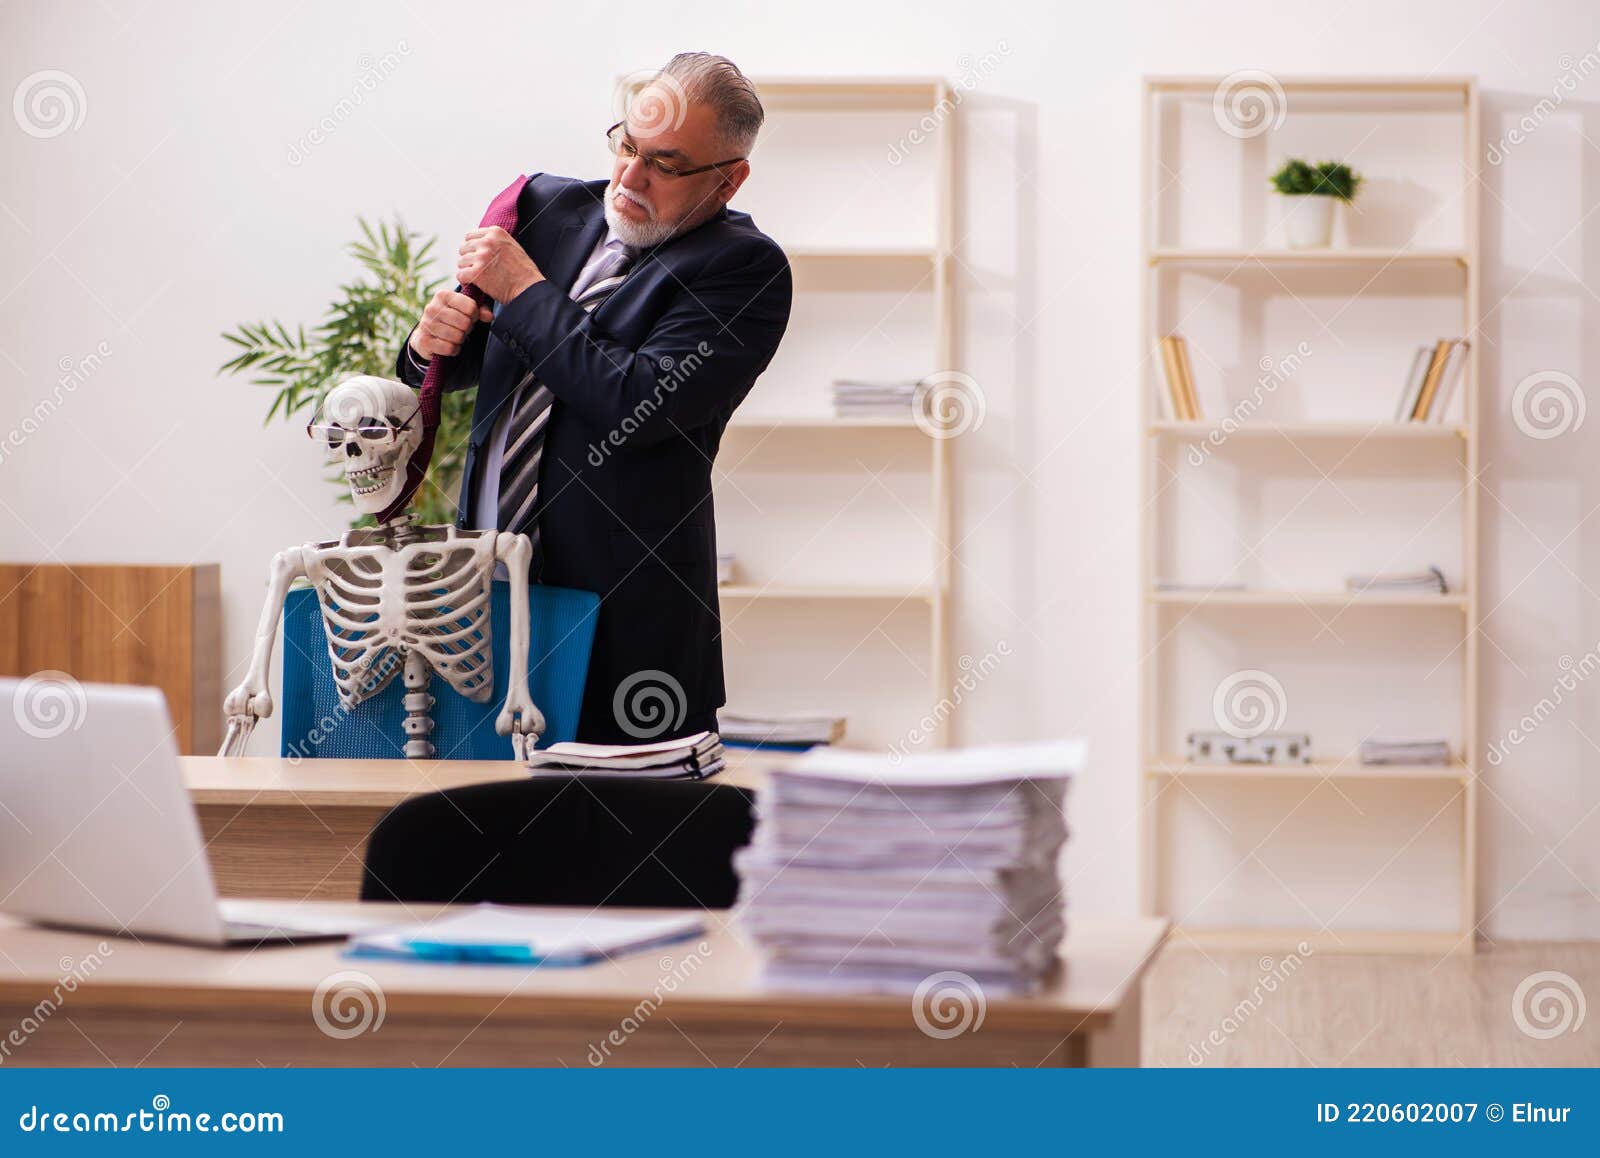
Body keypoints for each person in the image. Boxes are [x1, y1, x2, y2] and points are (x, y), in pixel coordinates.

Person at [397, 52, 792, 744]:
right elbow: (479, 362)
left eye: (665, 165)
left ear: (729, 180)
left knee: (625, 847)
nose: (630, 179)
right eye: (626, 147)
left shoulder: (744, 269)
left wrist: (524, 292)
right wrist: (426, 345)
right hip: (480, 602)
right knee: (481, 838)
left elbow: (632, 399)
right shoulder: (549, 211)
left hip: (626, 633)